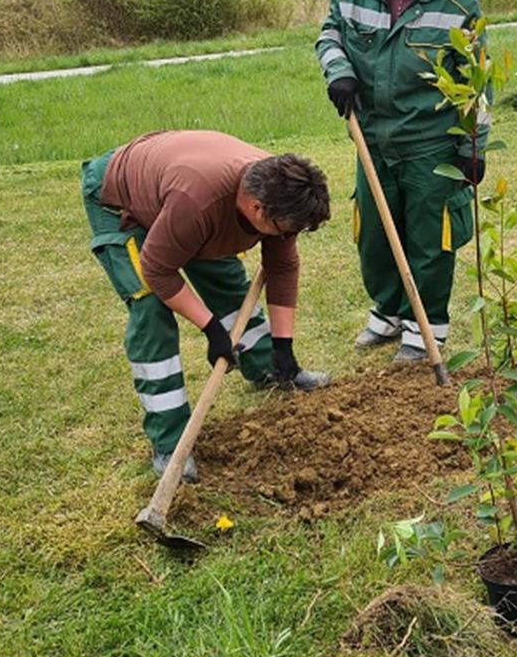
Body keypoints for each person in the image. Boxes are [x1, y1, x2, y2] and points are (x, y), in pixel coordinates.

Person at [81, 130, 331, 481]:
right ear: (256, 208)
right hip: (120, 202)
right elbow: (158, 270)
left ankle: (271, 369)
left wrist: (284, 347)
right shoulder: (198, 202)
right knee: (151, 309)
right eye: (284, 230)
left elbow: (282, 267)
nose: (286, 238)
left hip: (179, 196)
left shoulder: (278, 191)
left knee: (227, 283)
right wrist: (212, 330)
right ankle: (169, 443)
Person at [315, 0, 487, 362]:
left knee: (430, 239)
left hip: (430, 142)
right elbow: (329, 34)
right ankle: (389, 310)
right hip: (372, 139)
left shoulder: (457, 1)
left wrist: (474, 147)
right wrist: (338, 72)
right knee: (373, 233)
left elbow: (474, 81)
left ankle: (427, 325)